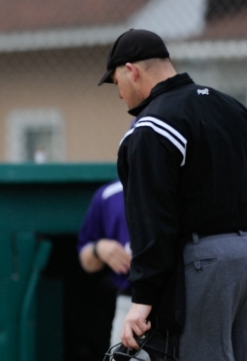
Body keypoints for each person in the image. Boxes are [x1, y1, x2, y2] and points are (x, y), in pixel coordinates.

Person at [100, 28, 247, 360]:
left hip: (205, 263)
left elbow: (152, 221)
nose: (120, 94)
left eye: (115, 82)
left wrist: (142, 299)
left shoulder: (152, 127)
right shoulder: (232, 109)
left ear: (131, 70)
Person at [77, 179, 148, 358]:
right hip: (129, 300)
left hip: (174, 301)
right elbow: (85, 257)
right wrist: (99, 248)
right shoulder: (109, 194)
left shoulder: (176, 185)